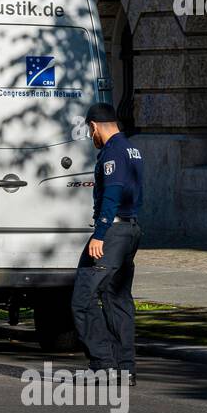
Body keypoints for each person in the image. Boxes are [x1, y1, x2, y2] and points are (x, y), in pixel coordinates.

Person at [72, 102, 143, 386]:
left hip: (111, 233)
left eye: (91, 133)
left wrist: (99, 234)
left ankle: (103, 364)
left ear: (94, 127)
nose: (92, 139)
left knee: (82, 297)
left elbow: (112, 193)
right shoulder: (133, 149)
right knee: (117, 300)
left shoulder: (112, 151)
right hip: (131, 230)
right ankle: (126, 369)